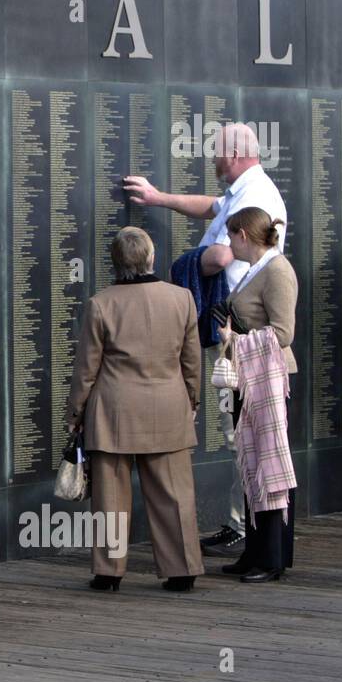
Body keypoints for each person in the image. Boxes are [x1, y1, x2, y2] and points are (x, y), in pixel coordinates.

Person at [125, 121, 287, 557]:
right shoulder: (244, 190)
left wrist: (187, 265)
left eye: (216, 152)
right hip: (232, 327)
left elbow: (223, 254)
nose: (211, 158)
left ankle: (248, 527)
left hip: (241, 332)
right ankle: (244, 525)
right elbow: (211, 208)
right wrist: (160, 198)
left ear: (234, 155)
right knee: (240, 430)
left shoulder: (256, 196)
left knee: (244, 433)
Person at [65, 227, 204, 592]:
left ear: (114, 262)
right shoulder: (182, 299)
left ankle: (109, 572)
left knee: (110, 495)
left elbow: (86, 368)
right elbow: (191, 361)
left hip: (113, 412)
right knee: (173, 494)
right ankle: (182, 569)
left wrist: (75, 413)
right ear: (151, 257)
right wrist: (192, 400)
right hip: (169, 407)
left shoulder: (101, 304)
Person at [215, 206, 299, 582]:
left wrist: (235, 338)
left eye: (231, 235)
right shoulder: (257, 269)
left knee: (270, 468)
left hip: (267, 380)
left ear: (243, 235)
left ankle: (272, 557)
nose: (228, 242)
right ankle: (255, 550)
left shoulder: (278, 271)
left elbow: (283, 333)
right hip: (248, 379)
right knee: (251, 465)